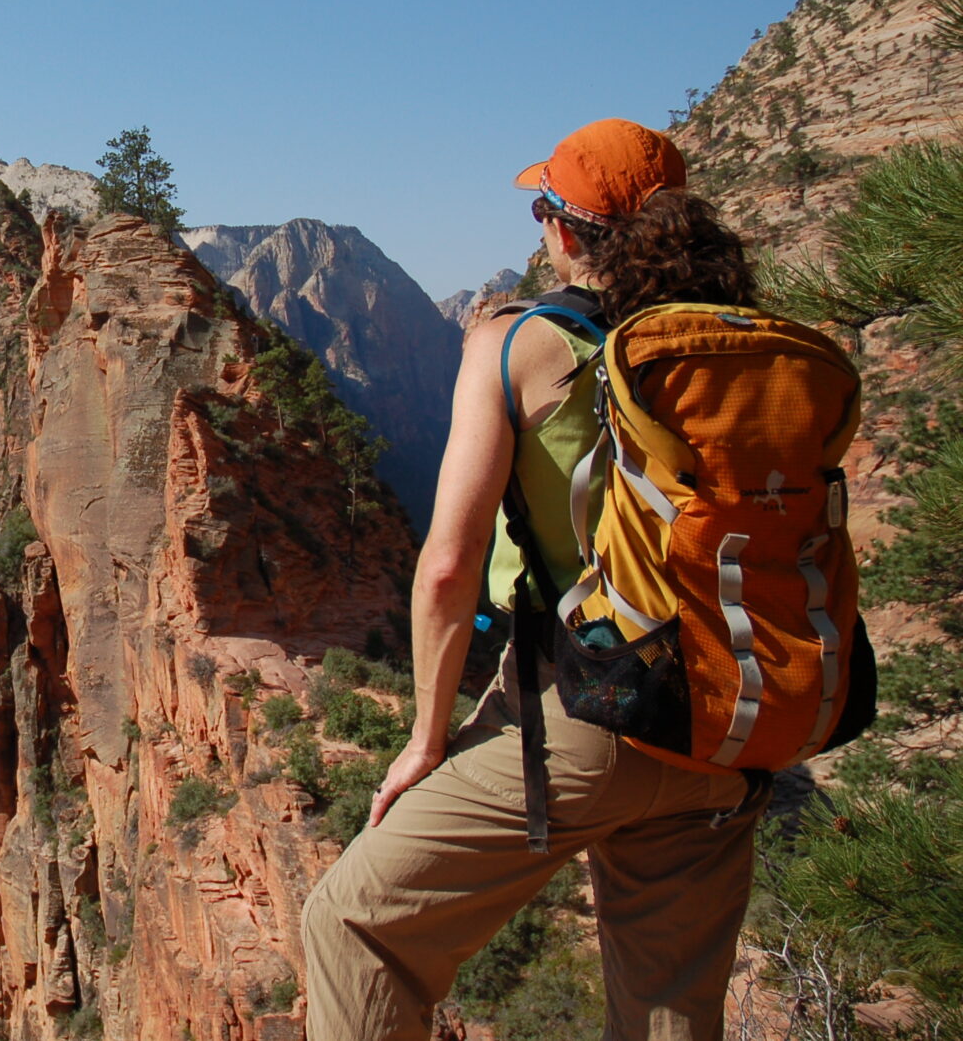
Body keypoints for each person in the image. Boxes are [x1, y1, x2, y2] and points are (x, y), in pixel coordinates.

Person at [301, 118, 765, 1041]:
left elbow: (446, 568)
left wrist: (426, 740)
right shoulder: (742, 341)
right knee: (670, 1011)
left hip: (598, 715)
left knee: (352, 923)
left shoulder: (520, 344)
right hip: (736, 724)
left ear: (563, 227)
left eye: (540, 207)